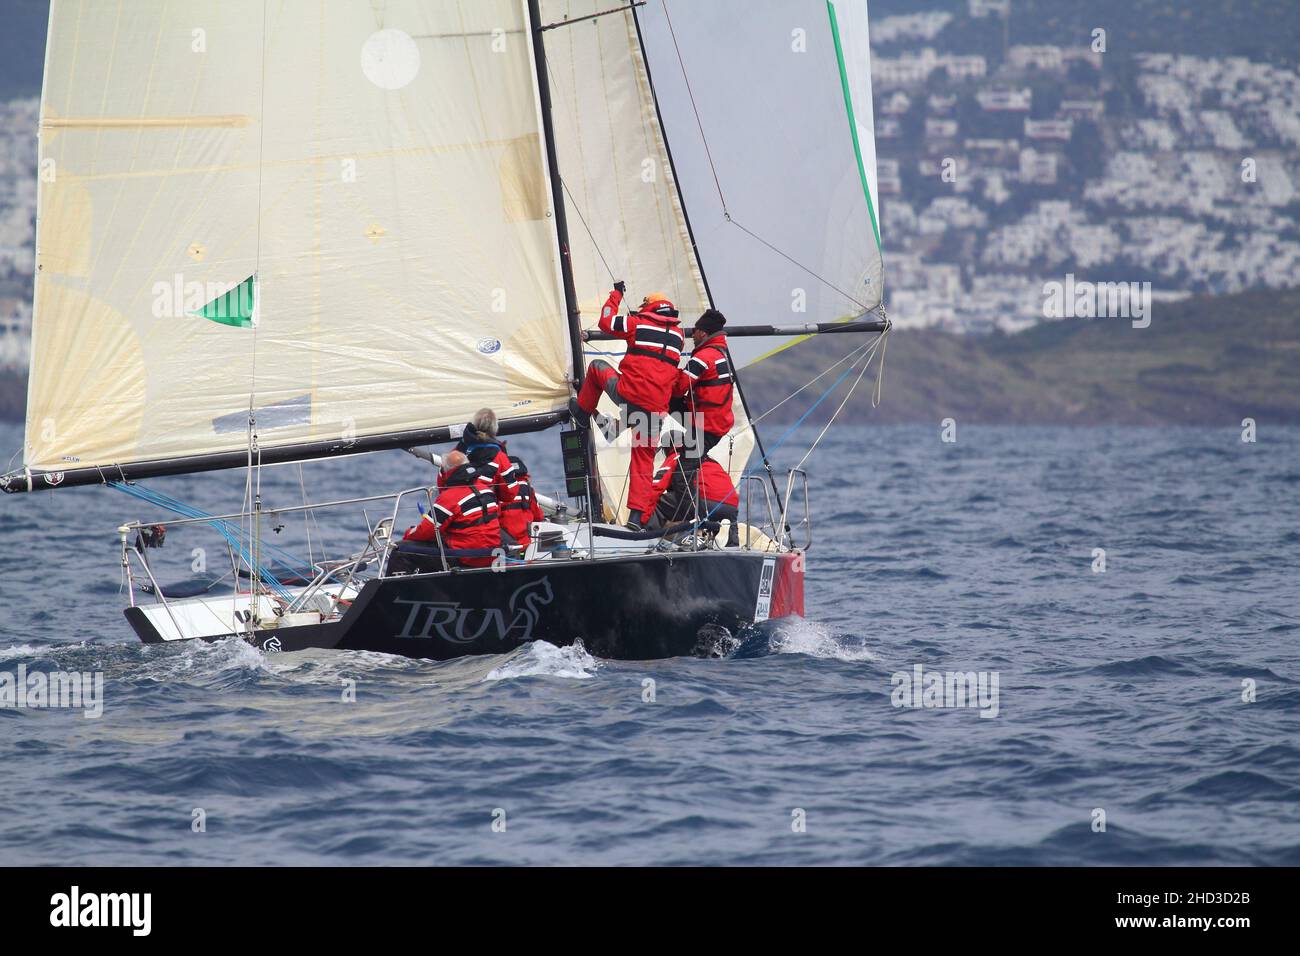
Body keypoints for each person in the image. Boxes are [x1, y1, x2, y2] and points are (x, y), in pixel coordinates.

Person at [570, 281, 684, 530]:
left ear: (649, 308)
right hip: (656, 409)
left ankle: (581, 412)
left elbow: (606, 321)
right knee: (643, 462)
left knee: (597, 367)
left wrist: (616, 295)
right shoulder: (679, 335)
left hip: (629, 395)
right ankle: (635, 519)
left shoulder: (638, 323)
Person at [400, 451, 501, 569]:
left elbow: (425, 531)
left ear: (446, 472)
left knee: (402, 550)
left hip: (466, 557)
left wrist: (409, 532)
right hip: (492, 555)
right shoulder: (487, 490)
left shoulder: (449, 497)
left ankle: (394, 587)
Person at [646, 445, 741, 547]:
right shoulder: (710, 459)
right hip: (731, 504)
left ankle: (647, 537)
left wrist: (641, 517)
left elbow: (656, 487)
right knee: (729, 534)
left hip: (703, 500)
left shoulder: (677, 455)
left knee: (659, 504)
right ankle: (729, 543)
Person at [674, 308, 733, 455]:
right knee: (688, 460)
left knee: (653, 395)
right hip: (715, 422)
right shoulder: (719, 353)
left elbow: (678, 390)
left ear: (703, 333)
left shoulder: (703, 357)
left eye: (695, 330)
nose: (692, 335)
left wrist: (663, 370)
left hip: (705, 426)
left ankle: (623, 425)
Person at [445, 408, 516, 507]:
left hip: (455, 509)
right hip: (484, 511)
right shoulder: (499, 457)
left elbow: (442, 481)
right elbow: (510, 493)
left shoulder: (456, 453)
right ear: (494, 428)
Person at [498, 454, 546, 549]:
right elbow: (538, 516)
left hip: (505, 543)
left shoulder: (498, 489)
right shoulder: (528, 489)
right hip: (525, 542)